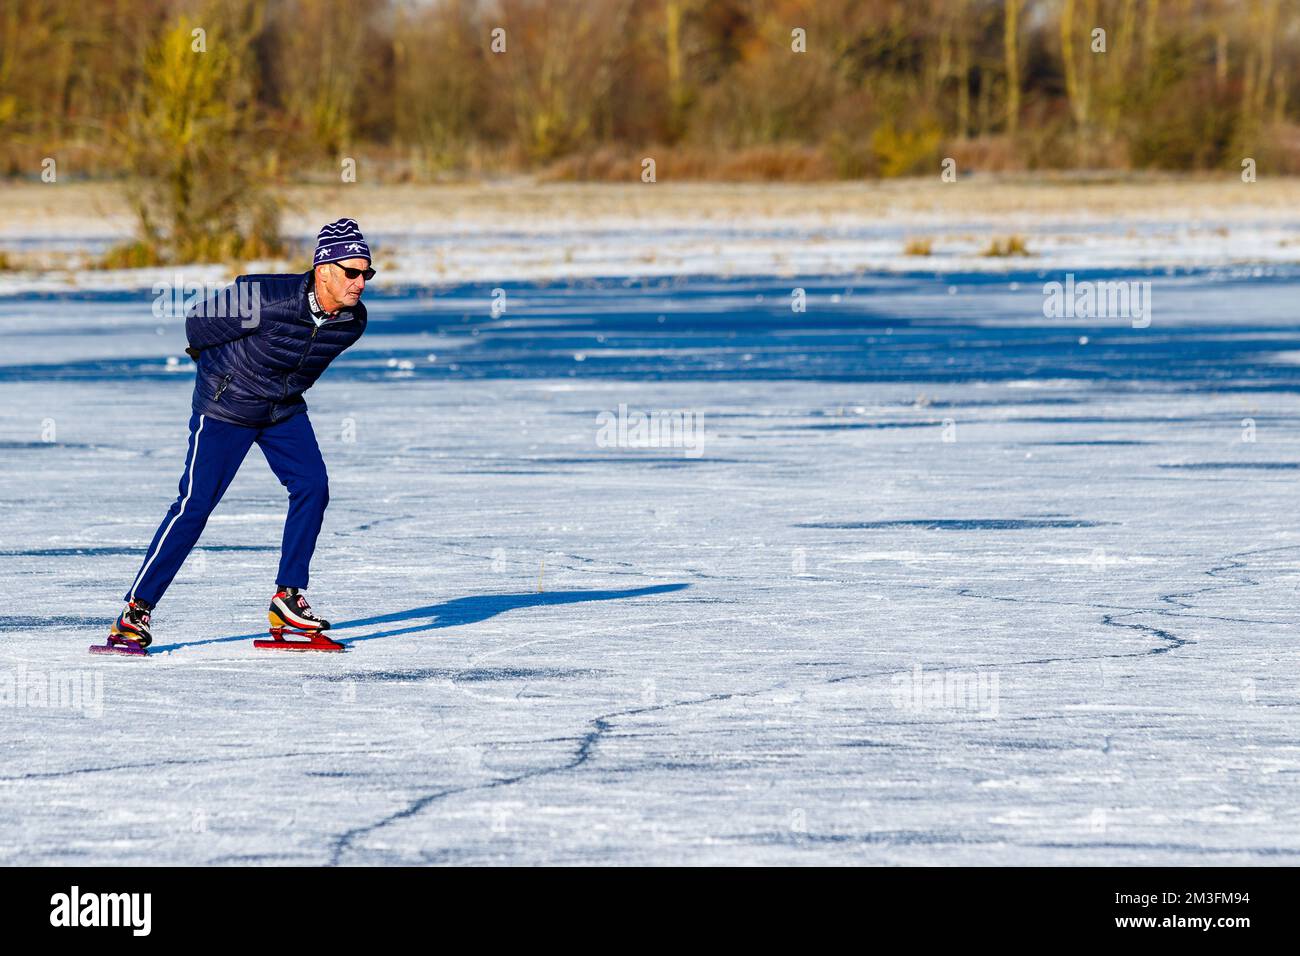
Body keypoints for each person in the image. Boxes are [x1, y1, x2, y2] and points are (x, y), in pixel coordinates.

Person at [104, 218, 374, 651]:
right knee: (194, 506)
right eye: (351, 272)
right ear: (323, 269)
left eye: (366, 274)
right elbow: (198, 327)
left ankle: (287, 601)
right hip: (226, 407)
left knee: (312, 486)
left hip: (282, 410)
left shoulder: (351, 322)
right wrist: (224, 377)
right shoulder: (265, 297)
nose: (360, 283)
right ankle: (134, 613)